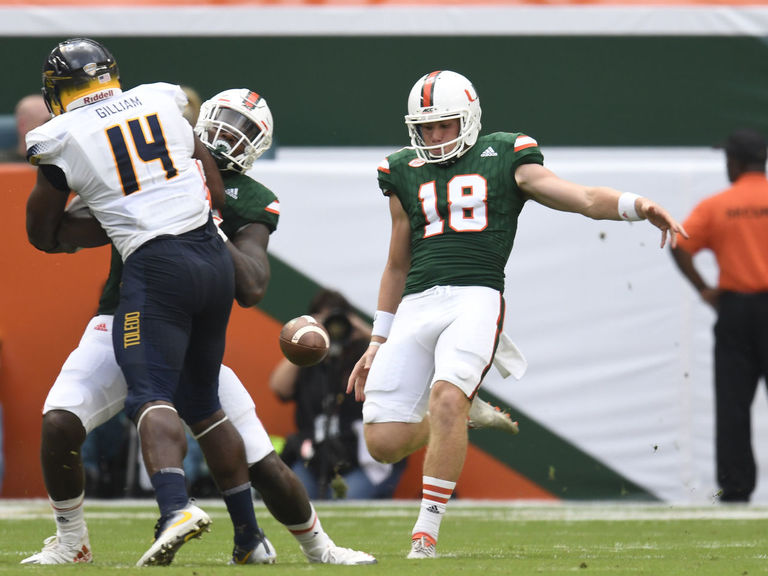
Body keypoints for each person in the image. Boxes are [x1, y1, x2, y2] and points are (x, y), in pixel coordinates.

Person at [22, 83, 375, 566]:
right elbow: (64, 230)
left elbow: (252, 286)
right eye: (223, 122)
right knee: (60, 420)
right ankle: (71, 541)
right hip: (119, 318)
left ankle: (313, 547)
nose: (228, 135)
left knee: (257, 455)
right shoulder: (148, 165)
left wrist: (199, 218)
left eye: (244, 130)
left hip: (184, 327)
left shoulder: (251, 199)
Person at [347, 70, 688, 559]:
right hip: (418, 303)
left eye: (445, 125)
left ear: (468, 119)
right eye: (426, 127)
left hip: (474, 296)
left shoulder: (507, 155)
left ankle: (425, 535)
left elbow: (582, 198)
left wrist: (636, 205)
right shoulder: (401, 170)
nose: (435, 136)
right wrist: (377, 340)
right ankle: (461, 413)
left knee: (446, 398)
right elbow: (397, 263)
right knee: (382, 443)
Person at [24, 38, 267, 567]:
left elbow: (41, 234)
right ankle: (250, 537)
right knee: (204, 406)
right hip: (212, 261)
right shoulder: (160, 98)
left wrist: (104, 215)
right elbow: (211, 188)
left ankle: (175, 508)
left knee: (150, 396)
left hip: (156, 271)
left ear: (57, 92)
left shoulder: (59, 135)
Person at [670, 127, 768, 503]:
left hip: (737, 312)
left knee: (733, 405)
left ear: (736, 163)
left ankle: (737, 490)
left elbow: (679, 243)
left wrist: (703, 289)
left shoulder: (717, 205)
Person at [270, 289, 405, 500]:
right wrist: (307, 340)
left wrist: (365, 334)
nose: (333, 329)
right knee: (296, 500)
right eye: (325, 323)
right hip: (314, 456)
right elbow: (279, 388)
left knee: (342, 500)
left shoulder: (365, 357)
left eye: (338, 322)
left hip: (362, 459)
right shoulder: (308, 362)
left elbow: (399, 372)